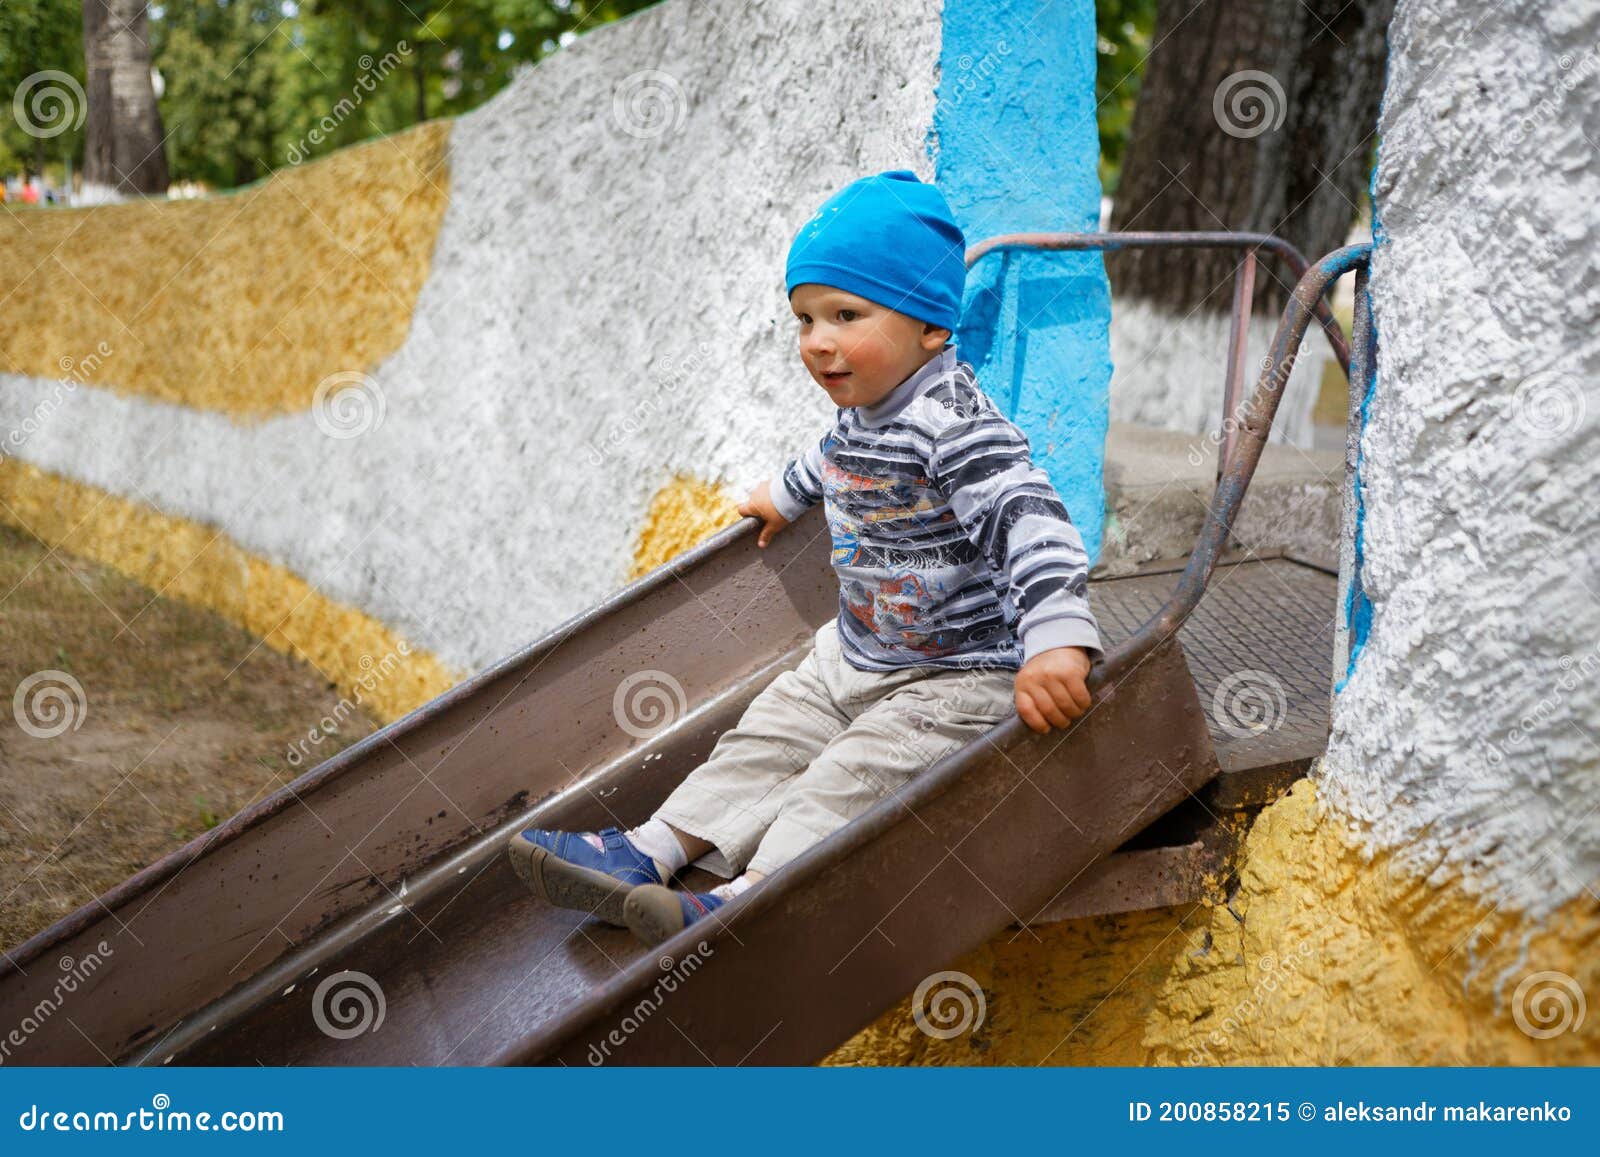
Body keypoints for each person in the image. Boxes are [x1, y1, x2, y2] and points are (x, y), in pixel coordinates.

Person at [506, 169, 1102, 946]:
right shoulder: (862, 409)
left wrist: (1057, 637)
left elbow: (1032, 521)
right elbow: (829, 458)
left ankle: (758, 891)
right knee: (764, 738)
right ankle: (652, 848)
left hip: (958, 673)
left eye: (844, 314)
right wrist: (782, 497)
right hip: (854, 653)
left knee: (850, 773)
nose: (816, 340)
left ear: (929, 325)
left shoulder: (956, 425)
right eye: (804, 319)